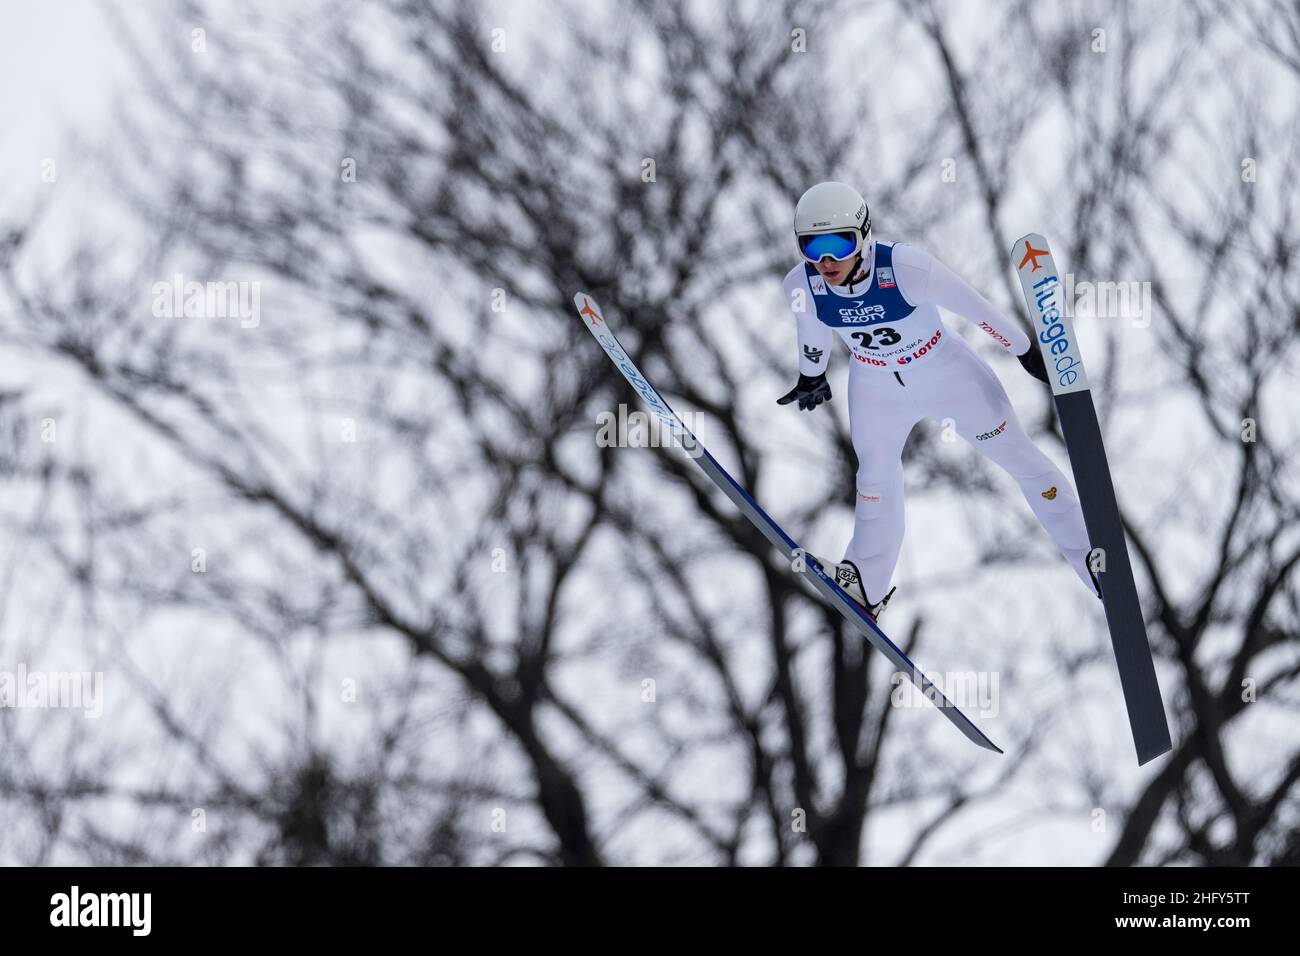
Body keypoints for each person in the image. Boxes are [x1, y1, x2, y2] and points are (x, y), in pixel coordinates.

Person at [778, 181, 1098, 620]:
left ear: (865, 234)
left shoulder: (905, 267)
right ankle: (864, 583)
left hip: (946, 374)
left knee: (1020, 457)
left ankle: (1091, 557)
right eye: (812, 247)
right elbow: (811, 330)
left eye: (838, 243)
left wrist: (1022, 348)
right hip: (875, 386)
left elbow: (976, 308)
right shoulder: (803, 284)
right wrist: (811, 374)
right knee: (874, 478)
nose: (826, 260)